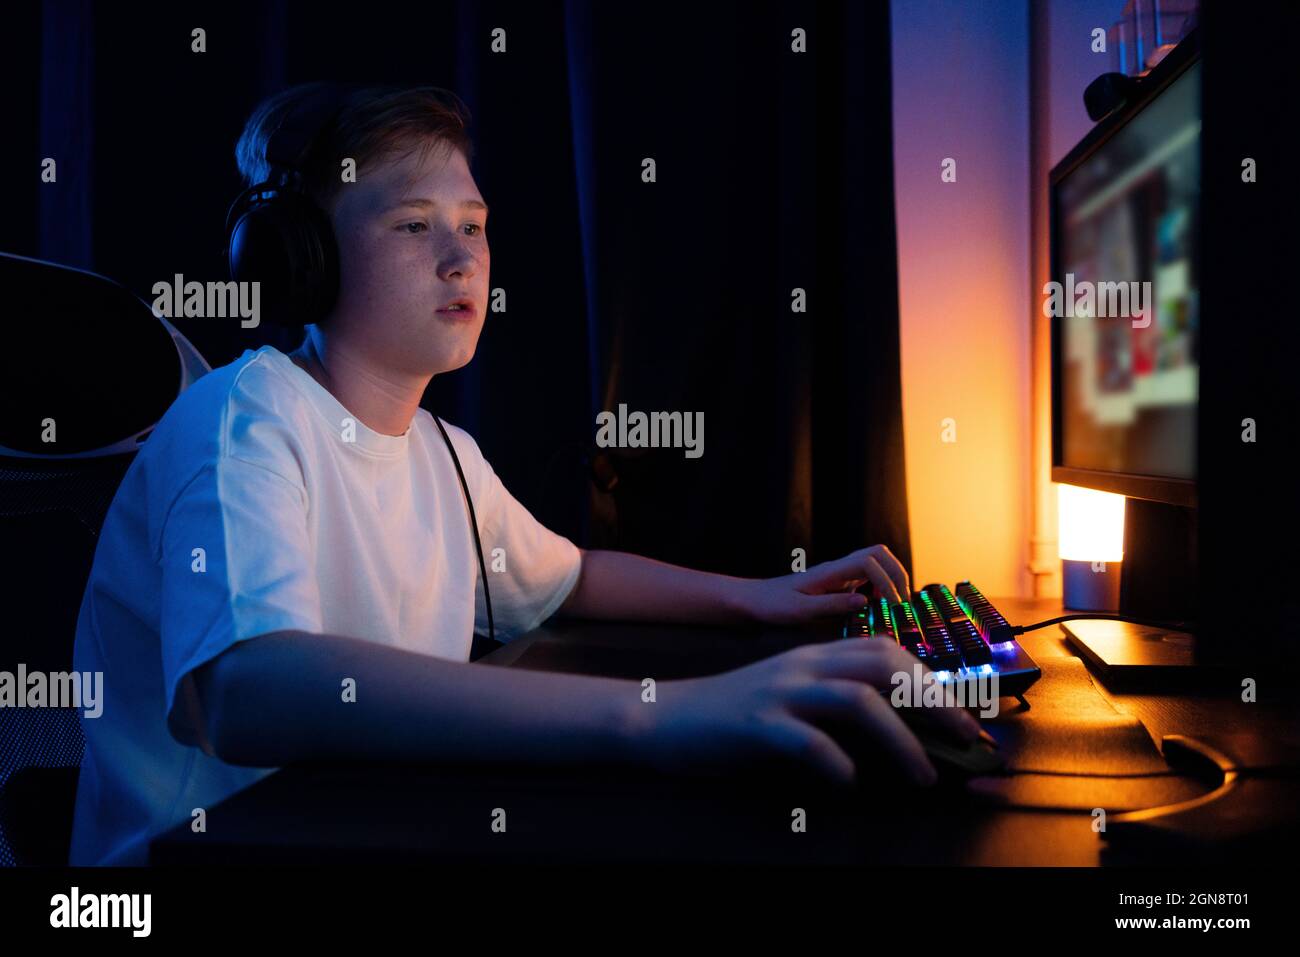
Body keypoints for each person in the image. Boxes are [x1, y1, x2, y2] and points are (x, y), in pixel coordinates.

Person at [68, 83, 977, 866]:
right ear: (299, 257)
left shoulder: (445, 455)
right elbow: (246, 689)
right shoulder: (243, 420)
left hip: (346, 834)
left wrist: (765, 598)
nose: (460, 257)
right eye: (414, 225)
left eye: (473, 226)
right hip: (197, 862)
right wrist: (659, 716)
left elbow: (572, 574)